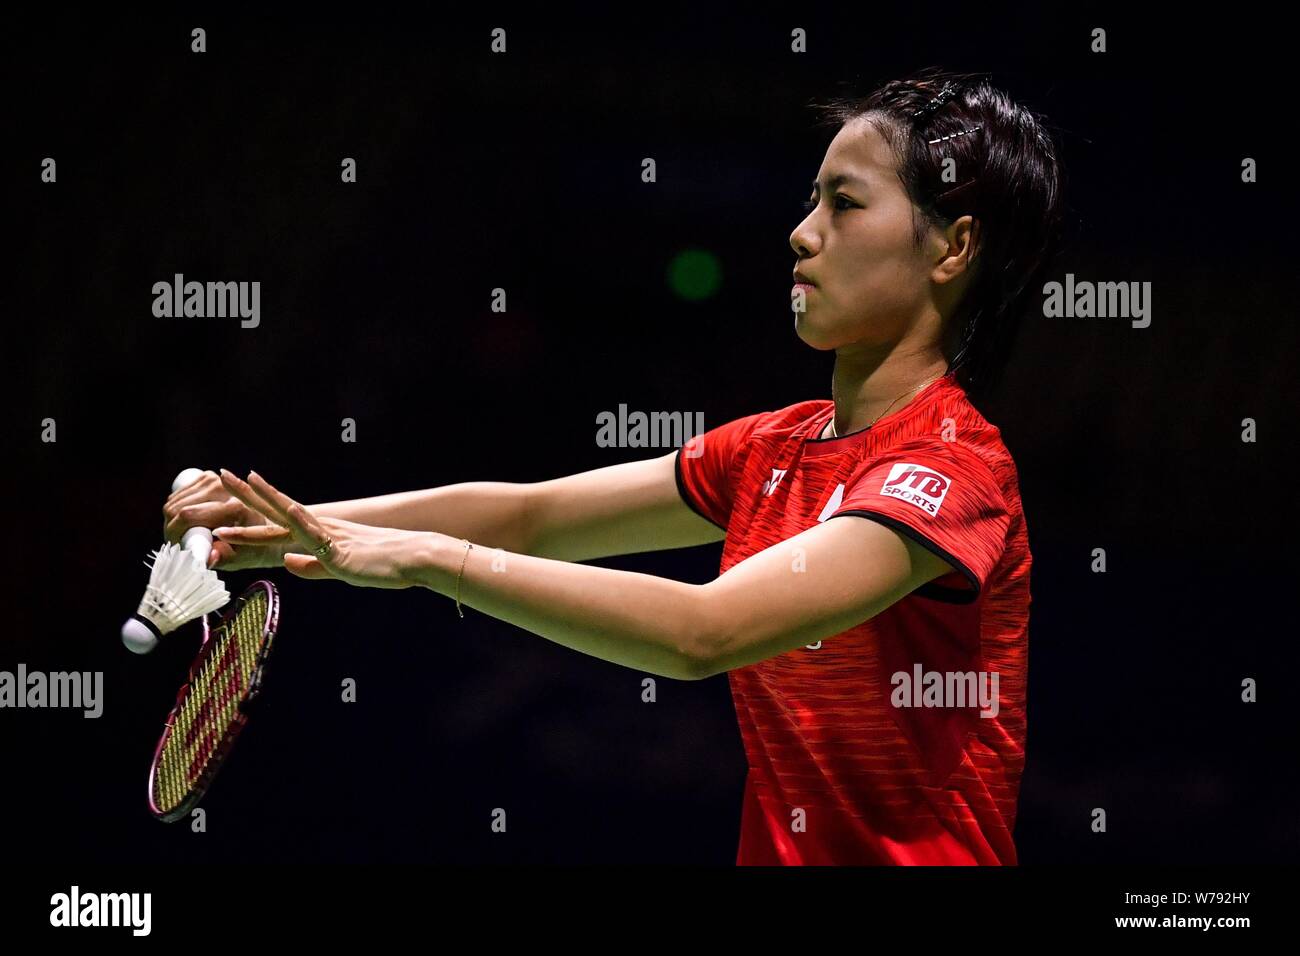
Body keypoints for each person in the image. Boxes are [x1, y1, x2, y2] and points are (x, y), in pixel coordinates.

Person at [161, 66, 1066, 865]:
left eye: (845, 202)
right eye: (810, 198)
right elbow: (533, 516)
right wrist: (284, 526)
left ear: (953, 247)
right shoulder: (776, 449)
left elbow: (702, 634)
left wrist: (433, 563)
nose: (800, 233)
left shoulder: (952, 474)